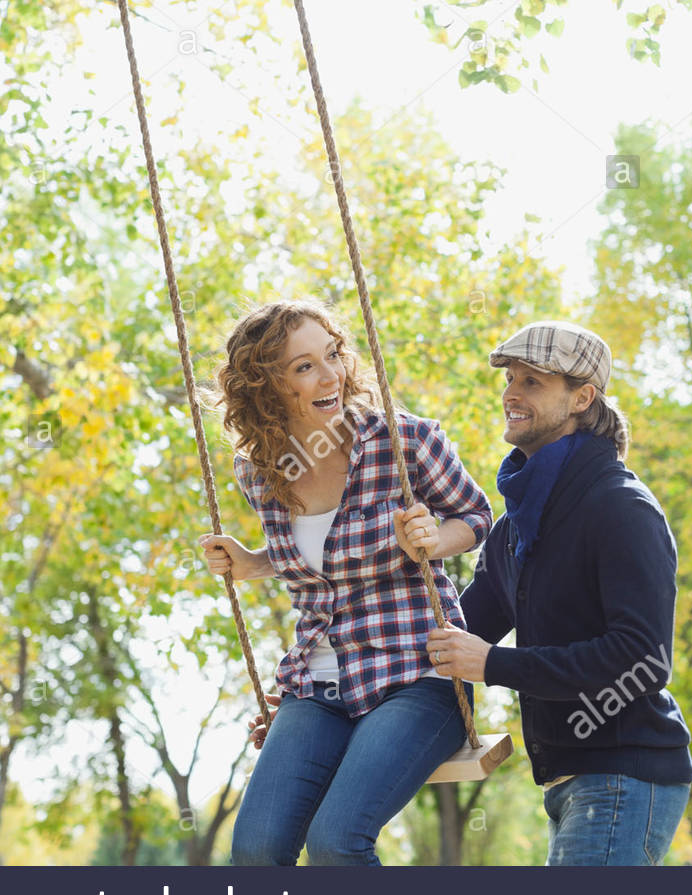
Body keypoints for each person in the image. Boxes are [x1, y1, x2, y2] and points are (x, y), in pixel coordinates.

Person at [197, 299, 492, 866]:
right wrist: (251, 562)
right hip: (319, 685)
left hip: (416, 675)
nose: (330, 374)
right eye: (304, 366)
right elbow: (316, 563)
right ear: (265, 387)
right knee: (257, 853)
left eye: (332, 355)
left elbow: (478, 518)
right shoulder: (259, 470)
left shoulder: (403, 442)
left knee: (336, 843)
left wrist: (433, 539)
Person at [425, 320, 692, 866]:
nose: (511, 394)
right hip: (570, 780)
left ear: (582, 398)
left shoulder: (621, 507)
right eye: (510, 379)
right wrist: (317, 694)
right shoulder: (516, 526)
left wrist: (496, 665)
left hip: (625, 773)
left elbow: (645, 659)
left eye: (533, 382)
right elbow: (453, 632)